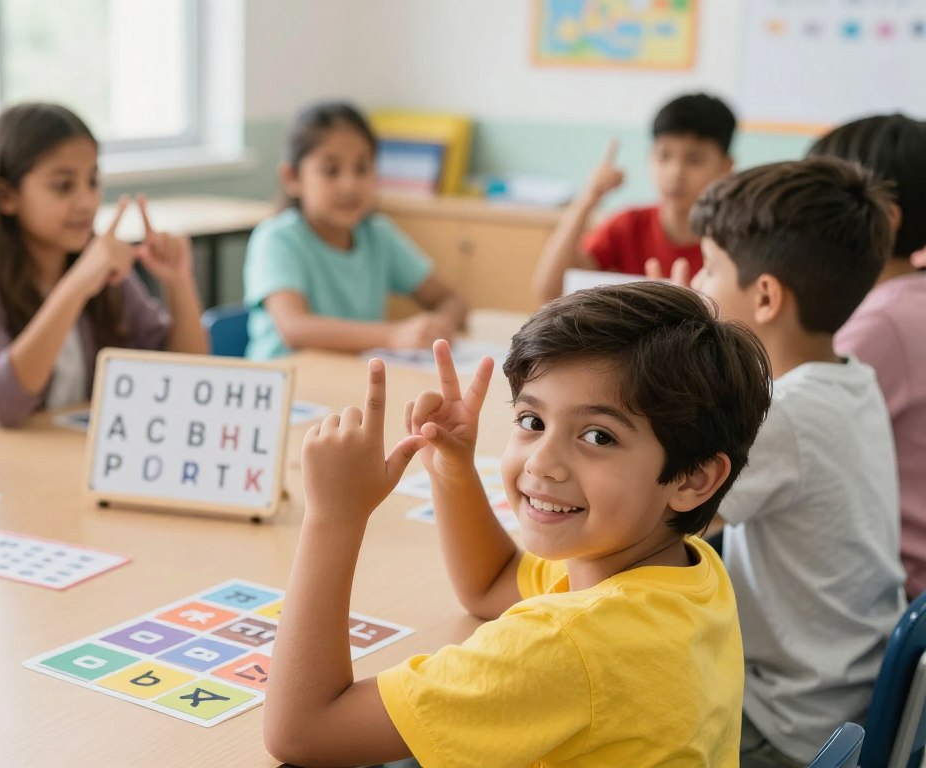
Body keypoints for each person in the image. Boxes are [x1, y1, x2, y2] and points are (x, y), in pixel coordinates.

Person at [264, 281, 771, 766]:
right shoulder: (687, 569)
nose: (542, 463)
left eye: (598, 437)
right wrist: (452, 467)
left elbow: (303, 731)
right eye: (532, 422)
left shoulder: (565, 644)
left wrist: (333, 516)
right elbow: (490, 585)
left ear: (694, 479)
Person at [689, 157, 906, 765]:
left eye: (709, 269)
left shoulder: (787, 414)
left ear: (764, 296)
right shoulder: (848, 379)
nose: (697, 286)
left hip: (785, 725)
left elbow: (663, 517)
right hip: (842, 694)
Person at [0, 102, 207, 426]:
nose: (86, 201)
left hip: (69, 458)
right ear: (6, 197)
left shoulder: (102, 272)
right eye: (63, 186)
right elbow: (2, 404)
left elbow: (187, 379)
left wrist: (179, 283)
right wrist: (76, 286)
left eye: (92, 181)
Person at [243, 100, 467, 360]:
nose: (350, 185)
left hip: (352, 379)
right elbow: (294, 328)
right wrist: (393, 336)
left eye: (362, 168)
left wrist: (438, 328)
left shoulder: (377, 234)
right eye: (331, 170)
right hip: (287, 385)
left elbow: (452, 299)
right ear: (292, 178)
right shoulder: (277, 239)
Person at [807, 113, 926, 599]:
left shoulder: (883, 324)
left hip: (895, 582)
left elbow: (786, 423)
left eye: (814, 204)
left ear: (884, 218)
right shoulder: (907, 300)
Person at [533, 93, 736, 302]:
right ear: (650, 157)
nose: (675, 173)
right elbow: (550, 291)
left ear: (726, 166)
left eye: (694, 160)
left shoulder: (735, 240)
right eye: (664, 155)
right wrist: (588, 199)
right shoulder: (627, 226)